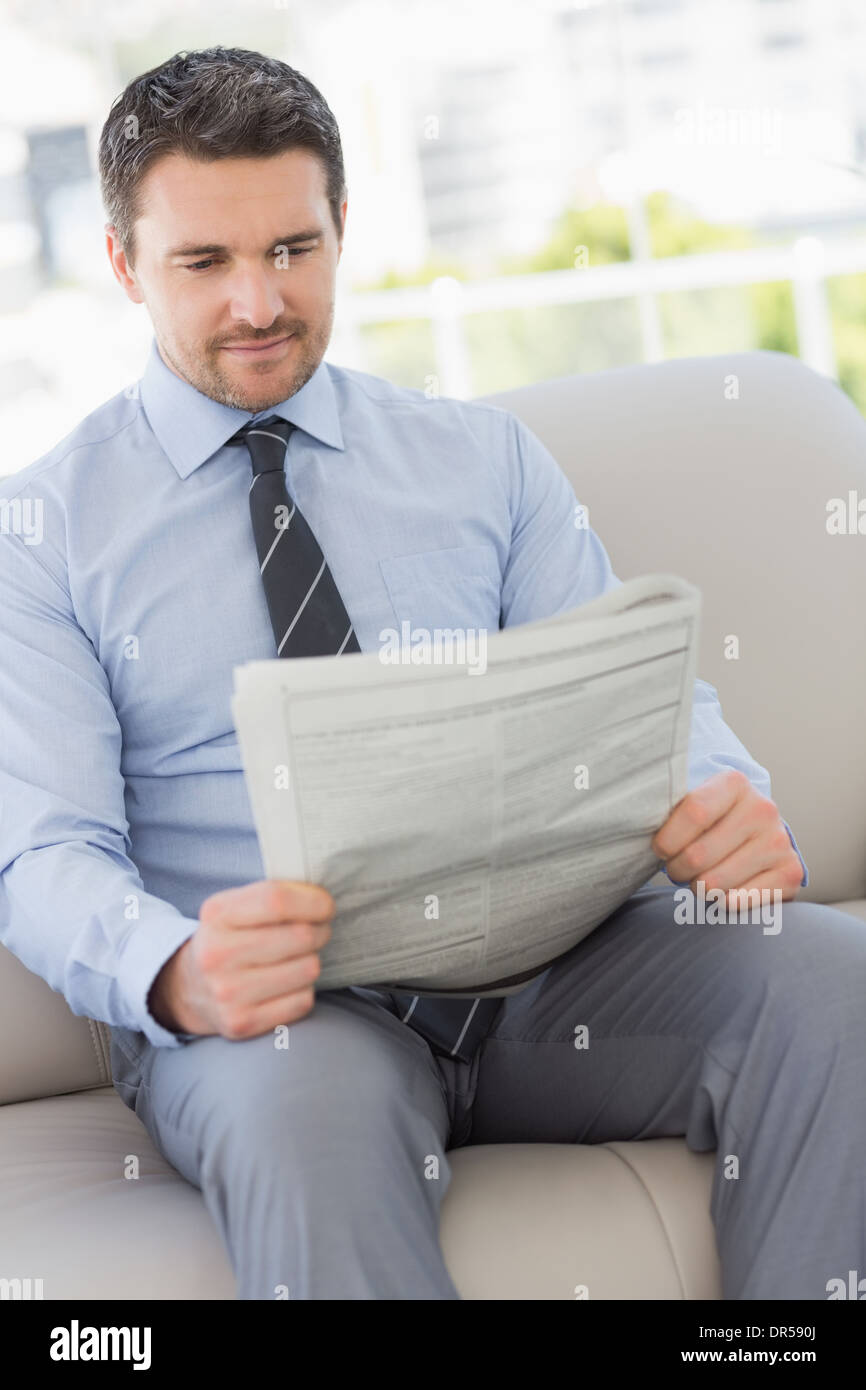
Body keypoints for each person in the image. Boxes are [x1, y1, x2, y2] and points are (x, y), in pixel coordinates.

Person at [0, 46, 861, 1302]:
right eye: (204, 261)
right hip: (284, 1018)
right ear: (125, 263)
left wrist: (724, 803)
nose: (258, 301)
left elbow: (636, 702)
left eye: (292, 248)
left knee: (833, 981)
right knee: (302, 1116)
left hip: (547, 972)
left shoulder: (480, 461)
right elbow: (43, 853)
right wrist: (176, 970)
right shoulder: (44, 535)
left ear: (342, 227)